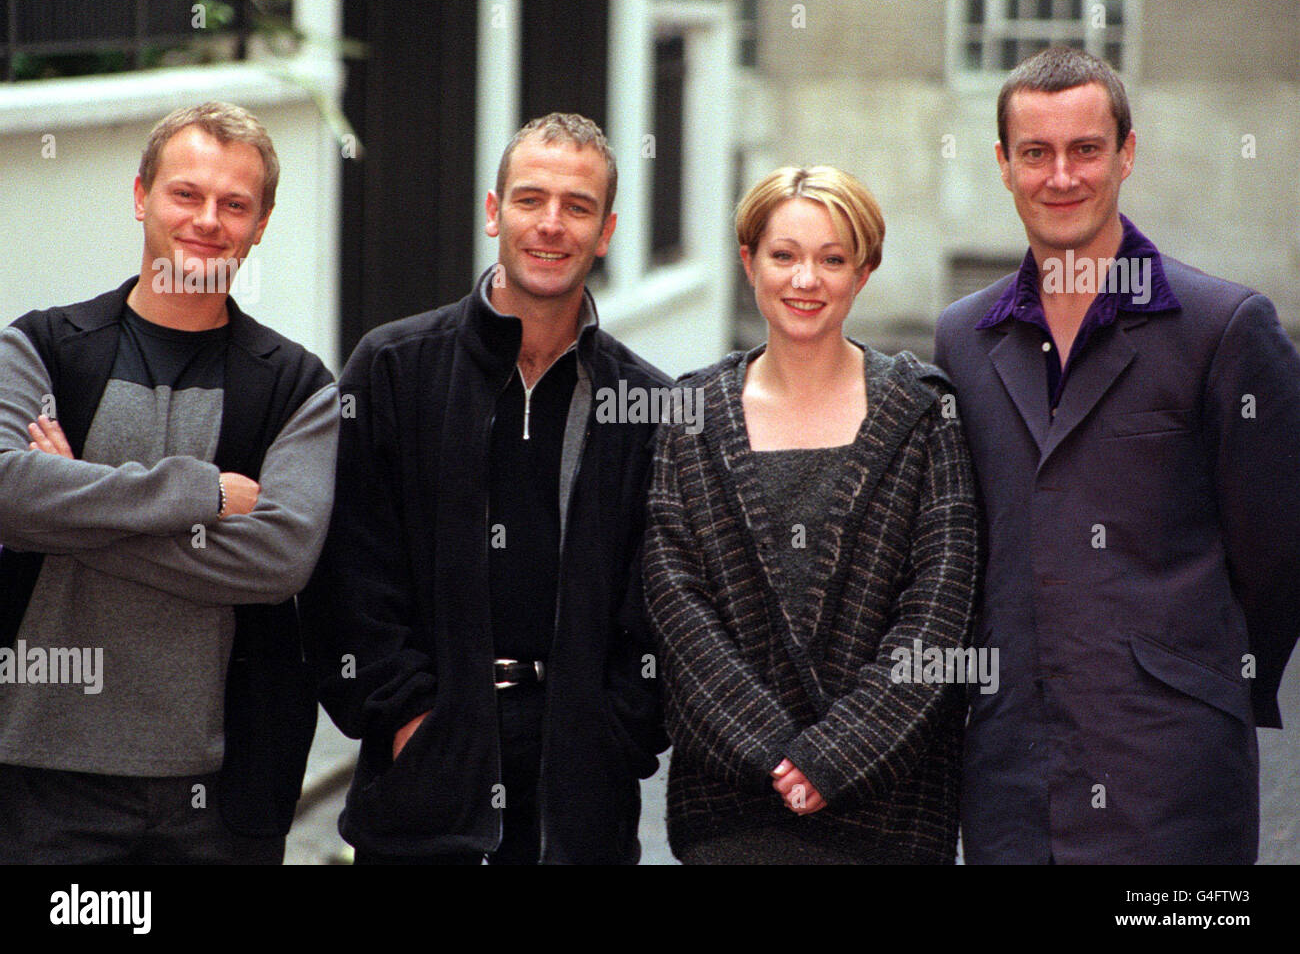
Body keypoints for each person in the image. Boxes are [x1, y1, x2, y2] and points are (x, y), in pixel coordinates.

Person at [934, 45, 1300, 863]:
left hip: (1174, 782)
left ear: (1126, 153)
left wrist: (1195, 680)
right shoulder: (962, 337)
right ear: (1003, 164)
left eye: (1086, 149)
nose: (1061, 176)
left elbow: (1278, 555)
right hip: (1010, 785)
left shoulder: (1225, 327)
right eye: (1036, 153)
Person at [302, 112, 669, 864]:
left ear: (605, 231)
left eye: (578, 206)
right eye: (531, 199)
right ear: (494, 211)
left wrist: (618, 729)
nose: (551, 225)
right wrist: (408, 717)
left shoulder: (648, 402)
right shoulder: (394, 367)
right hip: (426, 784)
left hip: (580, 801)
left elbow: (662, 596)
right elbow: (347, 568)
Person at [0, 101, 339, 864]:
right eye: (186, 193)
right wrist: (202, 493)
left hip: (223, 790)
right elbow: (6, 495)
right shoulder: (43, 347)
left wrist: (72, 503)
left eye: (234, 203)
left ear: (262, 222)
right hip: (39, 778)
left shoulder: (297, 387)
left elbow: (279, 559)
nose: (208, 219)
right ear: (140, 195)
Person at [643, 165, 979, 864]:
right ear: (748, 261)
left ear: (864, 271)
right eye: (784, 255)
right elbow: (676, 606)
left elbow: (941, 604)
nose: (806, 279)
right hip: (733, 813)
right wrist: (770, 754)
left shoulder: (923, 412)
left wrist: (839, 754)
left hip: (890, 814)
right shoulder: (690, 416)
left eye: (832, 258)